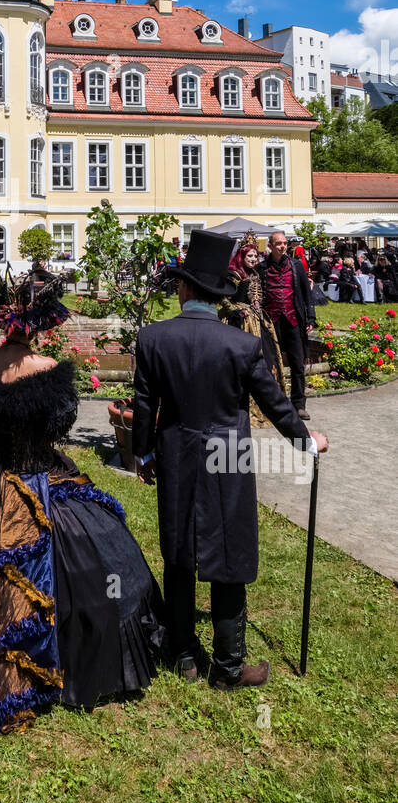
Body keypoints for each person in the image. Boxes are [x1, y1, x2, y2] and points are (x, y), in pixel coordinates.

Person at [0, 271, 165, 734]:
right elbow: (58, 428)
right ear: (41, 326)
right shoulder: (50, 372)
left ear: (4, 320)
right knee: (95, 560)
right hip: (40, 473)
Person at [133, 229, 328, 690]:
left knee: (178, 550)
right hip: (229, 456)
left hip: (176, 452)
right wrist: (306, 442)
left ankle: (183, 652)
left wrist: (142, 453)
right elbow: (277, 402)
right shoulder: (241, 345)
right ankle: (228, 666)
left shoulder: (154, 338)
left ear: (183, 288)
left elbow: (144, 404)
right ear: (219, 293)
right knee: (229, 553)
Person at [220, 233, 288, 424]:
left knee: (266, 358)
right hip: (238, 321)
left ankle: (267, 403)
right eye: (249, 256)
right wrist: (233, 310)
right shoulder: (233, 274)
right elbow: (223, 296)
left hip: (257, 320)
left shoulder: (256, 274)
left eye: (255, 256)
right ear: (241, 257)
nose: (253, 259)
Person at [257, 231, 316, 421]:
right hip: (271, 322)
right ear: (270, 246)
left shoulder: (296, 266)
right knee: (270, 364)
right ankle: (274, 403)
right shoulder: (261, 268)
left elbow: (307, 294)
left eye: (284, 243)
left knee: (298, 363)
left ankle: (298, 405)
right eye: (278, 243)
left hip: (293, 320)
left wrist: (311, 318)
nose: (282, 246)